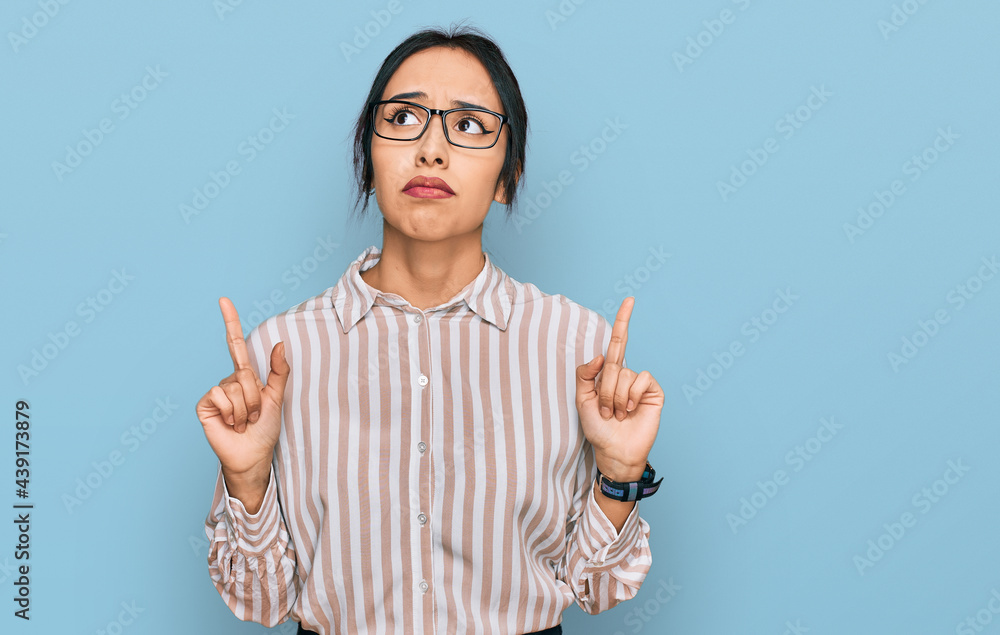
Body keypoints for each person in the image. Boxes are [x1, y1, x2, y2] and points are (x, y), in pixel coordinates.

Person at [198, 23, 664, 635]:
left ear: (508, 177)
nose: (431, 150)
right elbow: (261, 604)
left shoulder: (574, 347)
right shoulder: (285, 353)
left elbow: (596, 590)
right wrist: (248, 481)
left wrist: (619, 474)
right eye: (403, 118)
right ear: (368, 157)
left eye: (469, 125)